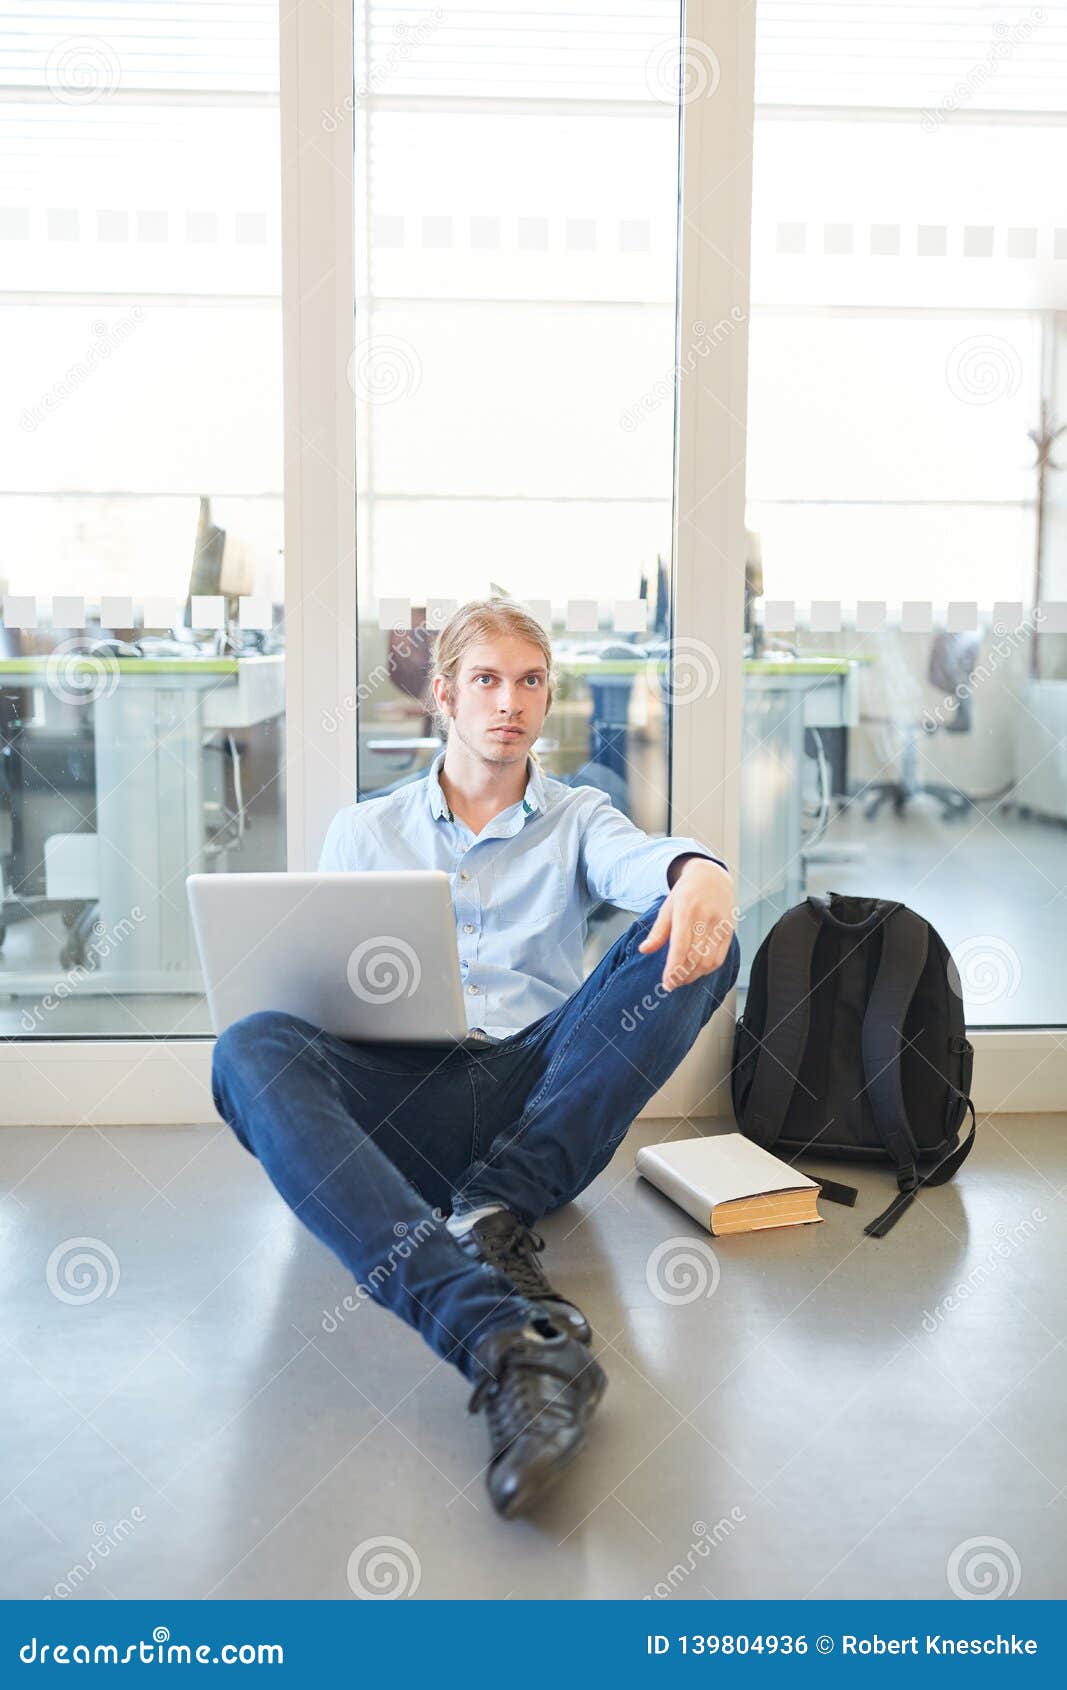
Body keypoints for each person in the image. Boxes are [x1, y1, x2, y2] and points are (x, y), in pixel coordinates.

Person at [211, 598, 740, 1519]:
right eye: (487, 681)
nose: (510, 703)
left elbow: (639, 863)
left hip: (535, 1094)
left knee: (699, 941)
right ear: (443, 696)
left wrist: (697, 872)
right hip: (401, 1102)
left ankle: (494, 1201)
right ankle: (499, 1330)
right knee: (248, 1046)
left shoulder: (581, 815)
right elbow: (318, 998)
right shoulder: (364, 832)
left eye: (529, 681)